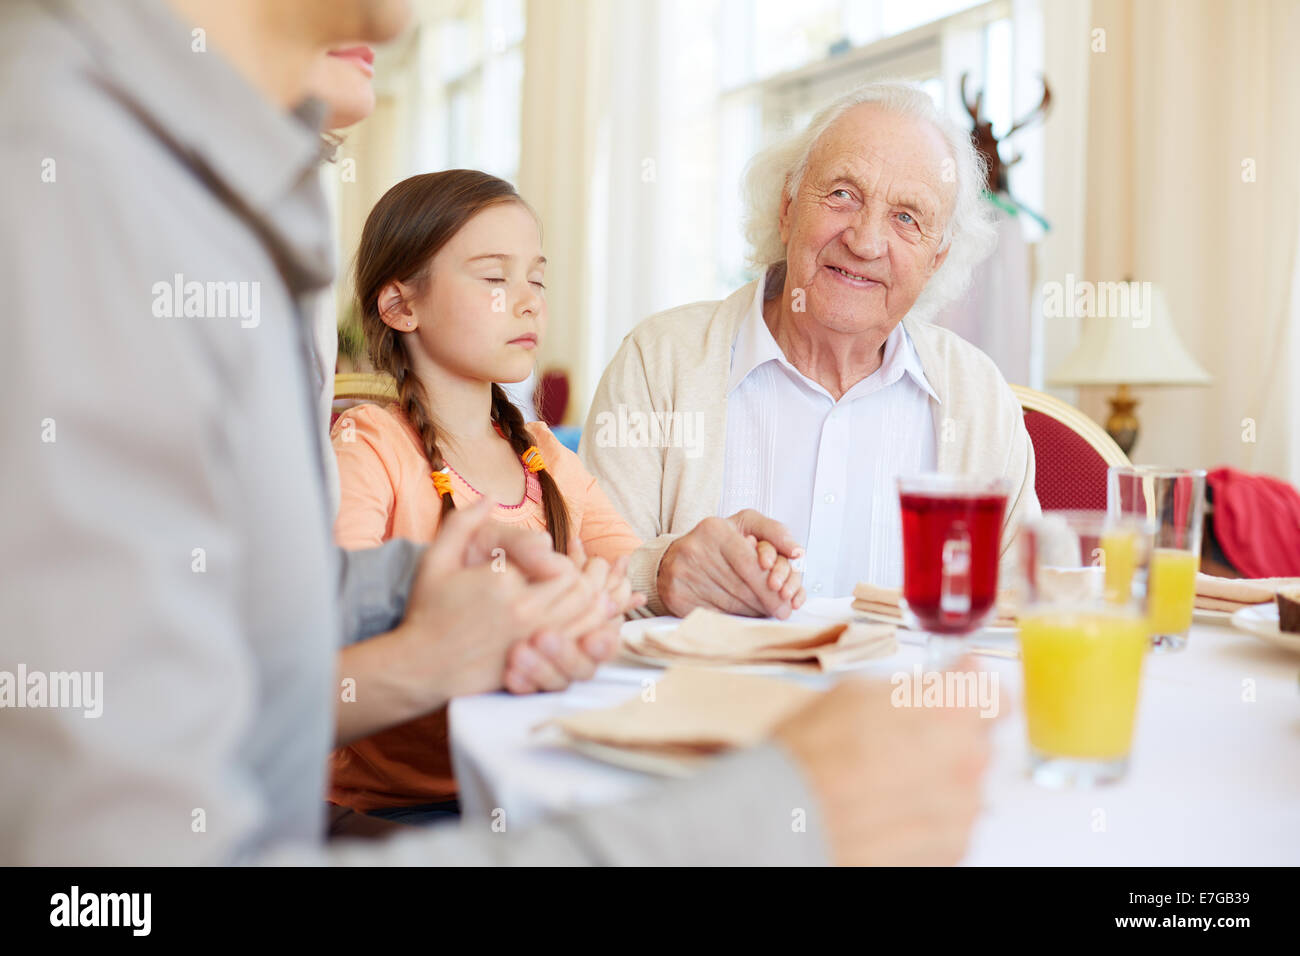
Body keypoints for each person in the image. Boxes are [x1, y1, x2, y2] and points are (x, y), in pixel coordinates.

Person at [0, 0, 992, 866]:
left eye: (538, 277)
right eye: (844, 196)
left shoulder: (203, 194)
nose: (867, 239)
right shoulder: (82, 193)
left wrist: (406, 590)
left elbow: (217, 589)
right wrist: (773, 823)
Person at [582, 82, 1041, 617]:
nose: (865, 242)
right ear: (787, 208)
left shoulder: (978, 398)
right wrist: (660, 576)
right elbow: (580, 587)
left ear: (936, 260)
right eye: (843, 194)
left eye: (906, 218)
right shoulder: (657, 364)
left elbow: (1017, 618)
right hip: (703, 698)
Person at [327, 170, 655, 821]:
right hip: (395, 812)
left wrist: (607, 592)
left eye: (536, 277)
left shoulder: (544, 451)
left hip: (538, 778)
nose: (530, 301)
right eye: (494, 277)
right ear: (400, 306)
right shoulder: (369, 443)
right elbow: (327, 627)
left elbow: (627, 573)